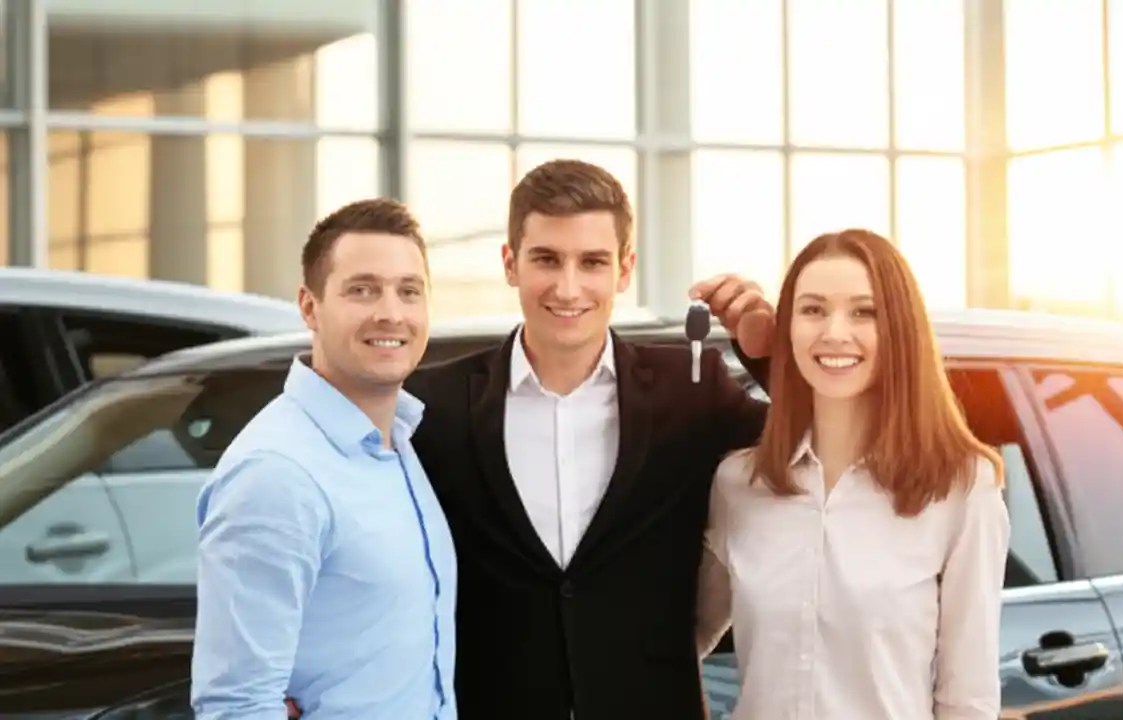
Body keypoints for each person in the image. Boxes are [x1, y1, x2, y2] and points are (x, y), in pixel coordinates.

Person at [404, 159, 772, 719]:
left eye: (592, 262)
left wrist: (767, 353)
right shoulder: (435, 405)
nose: (568, 287)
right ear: (511, 263)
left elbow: (820, 444)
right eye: (546, 259)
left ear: (624, 270)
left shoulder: (690, 392)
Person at [695, 229, 1011, 719]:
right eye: (813, 310)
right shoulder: (741, 485)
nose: (834, 333)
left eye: (864, 312)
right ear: (789, 329)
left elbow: (967, 702)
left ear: (900, 330)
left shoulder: (962, 489)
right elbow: (678, 643)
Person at [191, 199, 456, 719]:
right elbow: (236, 706)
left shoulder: (398, 442)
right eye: (362, 290)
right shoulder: (278, 473)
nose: (391, 313)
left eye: (409, 291)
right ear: (309, 307)